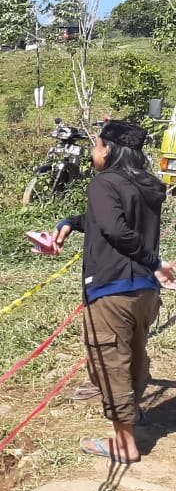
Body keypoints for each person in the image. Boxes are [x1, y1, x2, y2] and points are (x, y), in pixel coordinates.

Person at [50, 119, 176, 465]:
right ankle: (133, 415)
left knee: (111, 361)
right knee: (135, 355)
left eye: (97, 146)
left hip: (111, 288)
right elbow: (111, 219)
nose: (94, 152)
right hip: (144, 293)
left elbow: (117, 231)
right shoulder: (148, 185)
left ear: (109, 149)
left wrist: (155, 261)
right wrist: (71, 224)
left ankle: (124, 445)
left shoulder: (104, 183)